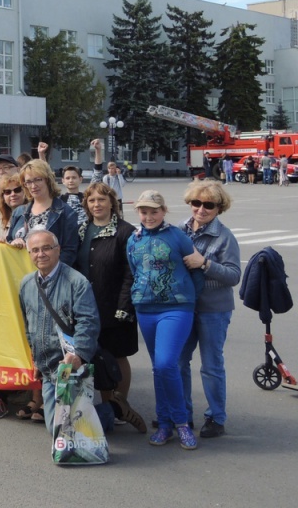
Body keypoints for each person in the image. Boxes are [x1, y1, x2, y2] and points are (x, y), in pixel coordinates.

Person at [127, 190, 204, 449]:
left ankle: (182, 423)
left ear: (164, 211)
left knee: (166, 364)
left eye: (153, 211)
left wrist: (187, 298)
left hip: (176, 308)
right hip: (145, 309)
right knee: (158, 368)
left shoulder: (177, 236)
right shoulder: (133, 239)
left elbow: (196, 270)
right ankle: (164, 423)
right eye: (143, 211)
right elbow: (134, 270)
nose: (148, 216)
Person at [77, 182, 145, 432]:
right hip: (86, 304)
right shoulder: (81, 230)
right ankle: (107, 407)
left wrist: (124, 305)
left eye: (101, 200)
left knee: (116, 355)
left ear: (112, 203)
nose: (96, 205)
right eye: (92, 200)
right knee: (95, 357)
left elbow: (131, 272)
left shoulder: (126, 232)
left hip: (115, 304)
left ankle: (119, 404)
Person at [19, 229, 100, 431]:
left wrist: (78, 354)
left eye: (46, 248)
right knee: (55, 428)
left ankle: (109, 413)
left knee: (68, 427)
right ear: (29, 254)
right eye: (35, 250)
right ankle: (103, 413)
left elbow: (88, 322)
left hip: (69, 366)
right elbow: (28, 324)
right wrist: (35, 358)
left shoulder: (77, 282)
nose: (41, 254)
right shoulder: (26, 284)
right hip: (47, 368)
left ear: (58, 250)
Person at [178, 180, 241, 439]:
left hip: (214, 309)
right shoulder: (180, 229)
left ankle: (216, 417)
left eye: (208, 205)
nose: (201, 209)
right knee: (180, 361)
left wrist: (205, 264)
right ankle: (182, 413)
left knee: (211, 365)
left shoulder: (224, 236)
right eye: (196, 203)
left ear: (218, 208)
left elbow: (234, 275)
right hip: (184, 306)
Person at [7, 159, 80, 266]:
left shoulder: (66, 213)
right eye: (29, 181)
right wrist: (13, 243)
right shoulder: (18, 212)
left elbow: (69, 252)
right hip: (20, 274)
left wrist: (48, 275)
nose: (33, 186)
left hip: (51, 277)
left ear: (47, 180)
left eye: (38, 179)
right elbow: (9, 242)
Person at [0, 174, 26, 242]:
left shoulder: (31, 213)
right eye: (7, 192)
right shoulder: (6, 220)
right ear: (3, 197)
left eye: (17, 190)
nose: (13, 194)